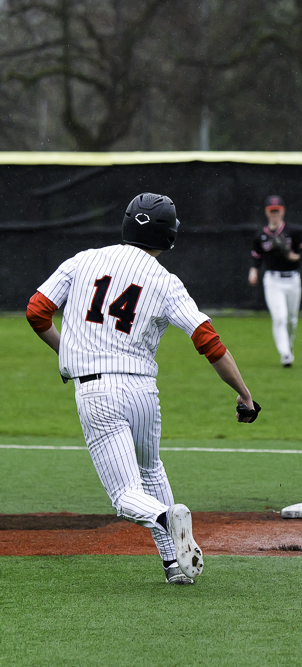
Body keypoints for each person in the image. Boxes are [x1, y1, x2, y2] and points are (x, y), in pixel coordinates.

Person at [25, 193, 260, 585]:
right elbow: (207, 339)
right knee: (151, 471)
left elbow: (36, 310)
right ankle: (175, 565)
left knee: (125, 496)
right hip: (143, 392)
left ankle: (167, 518)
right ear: (169, 237)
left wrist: (67, 351)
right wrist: (245, 394)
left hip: (97, 392)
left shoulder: (83, 260)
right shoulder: (166, 282)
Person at [248, 195, 302, 367]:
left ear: (282, 211)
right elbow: (256, 256)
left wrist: (295, 256)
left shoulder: (292, 232)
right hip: (273, 280)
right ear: (267, 213)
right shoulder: (261, 235)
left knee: (292, 320)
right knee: (279, 317)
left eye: (277, 211)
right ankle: (285, 354)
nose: (274, 214)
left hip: (292, 279)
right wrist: (254, 271)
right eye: (271, 211)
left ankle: (288, 347)